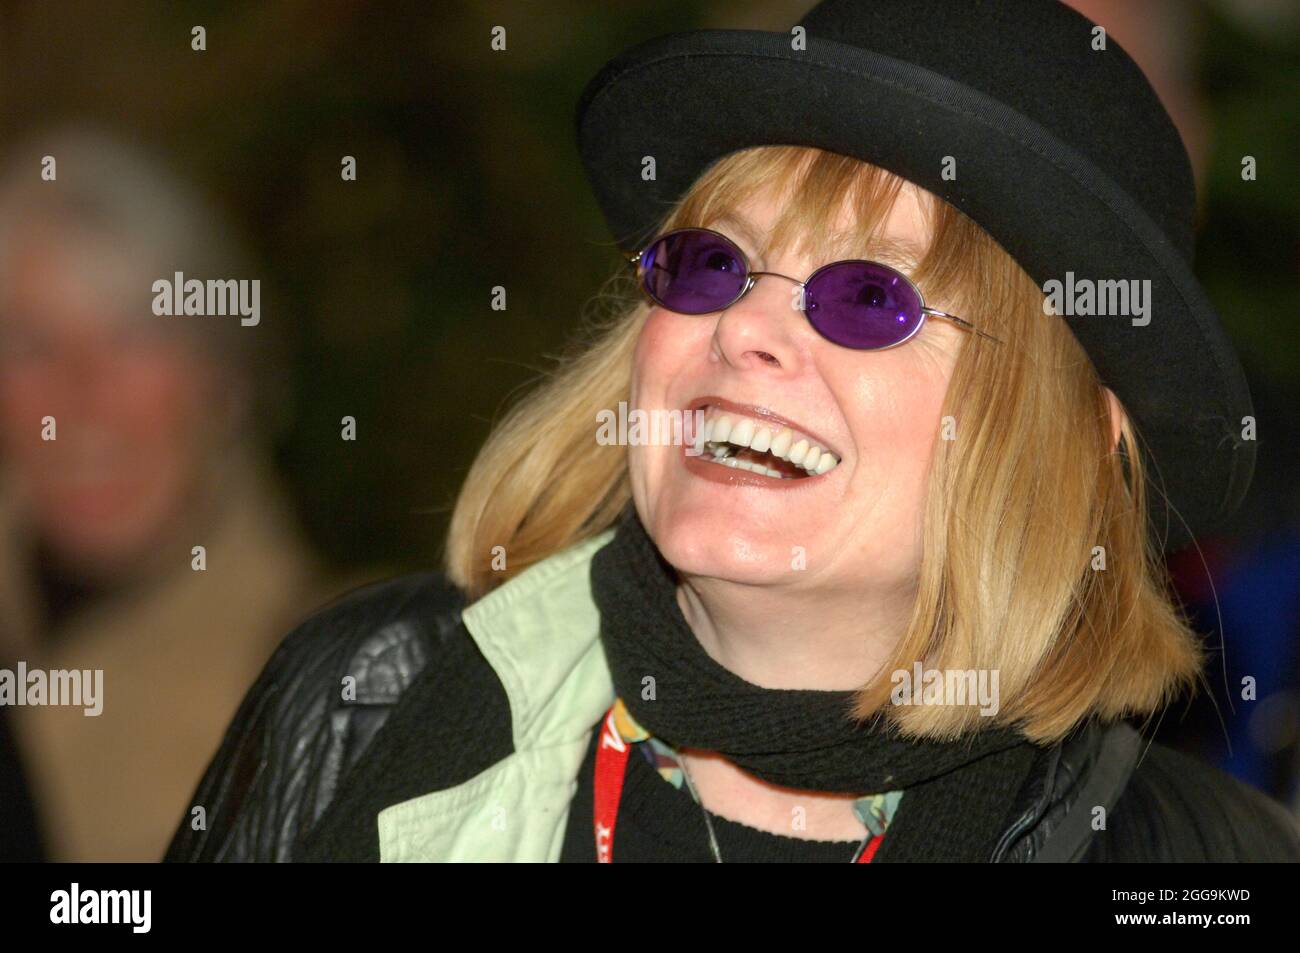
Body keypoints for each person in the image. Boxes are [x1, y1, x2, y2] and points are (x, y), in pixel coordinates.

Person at [166, 0, 1300, 862]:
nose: (746, 325)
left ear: (1069, 432)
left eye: (868, 295)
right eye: (712, 264)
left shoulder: (1203, 858)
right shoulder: (363, 697)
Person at [0, 126, 354, 861]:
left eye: (135, 334)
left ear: (222, 378)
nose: (84, 396)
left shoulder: (327, 694)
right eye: (31, 343)